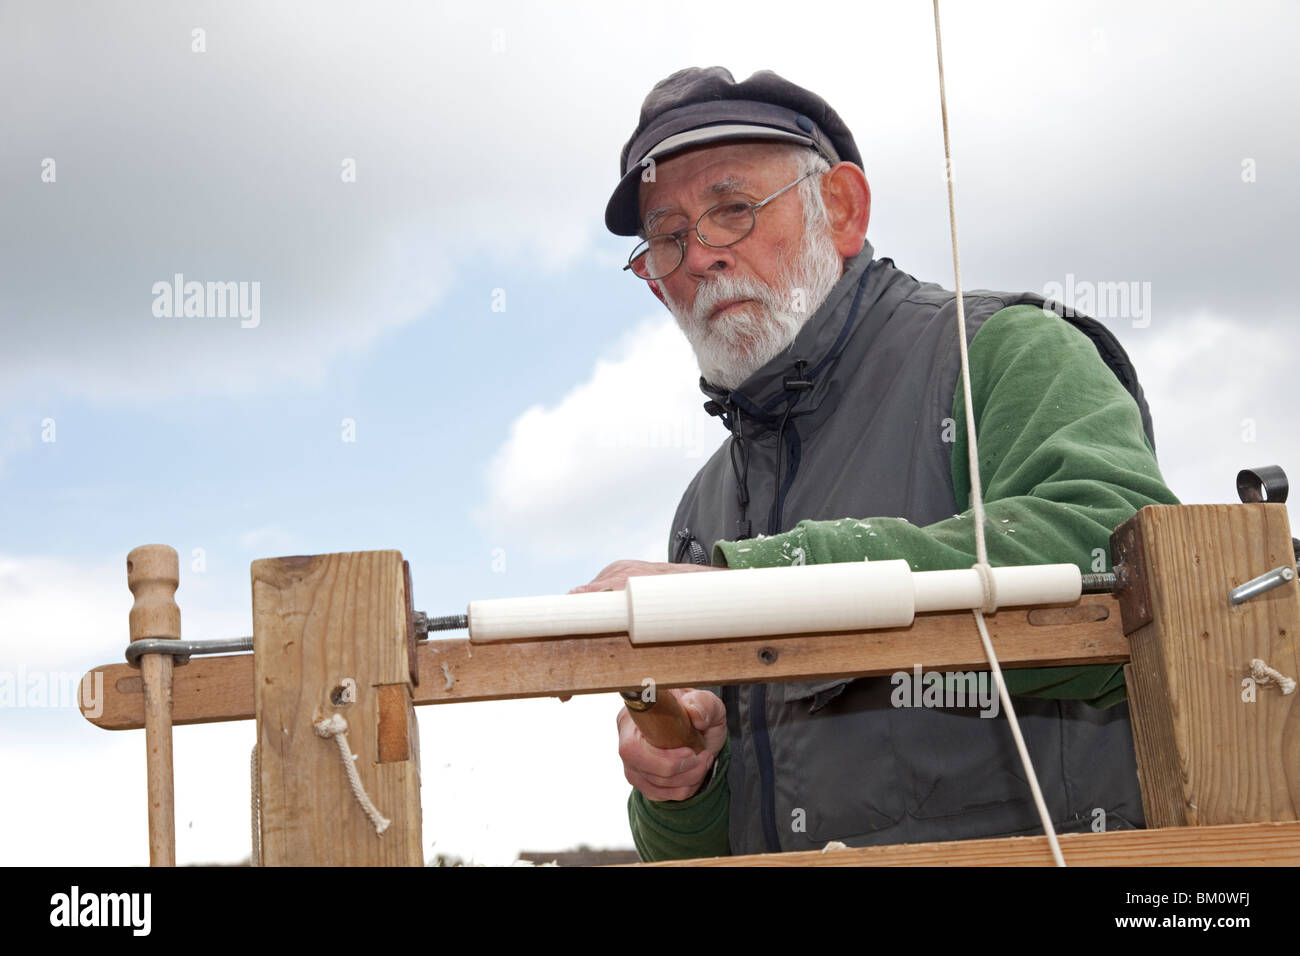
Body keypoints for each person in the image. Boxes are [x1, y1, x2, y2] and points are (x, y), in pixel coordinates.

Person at [570, 67, 1180, 861]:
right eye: (668, 237)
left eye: (732, 210)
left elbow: (1123, 564)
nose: (701, 260)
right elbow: (707, 847)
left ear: (843, 210)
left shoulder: (1001, 353)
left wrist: (761, 587)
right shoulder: (704, 507)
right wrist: (681, 781)